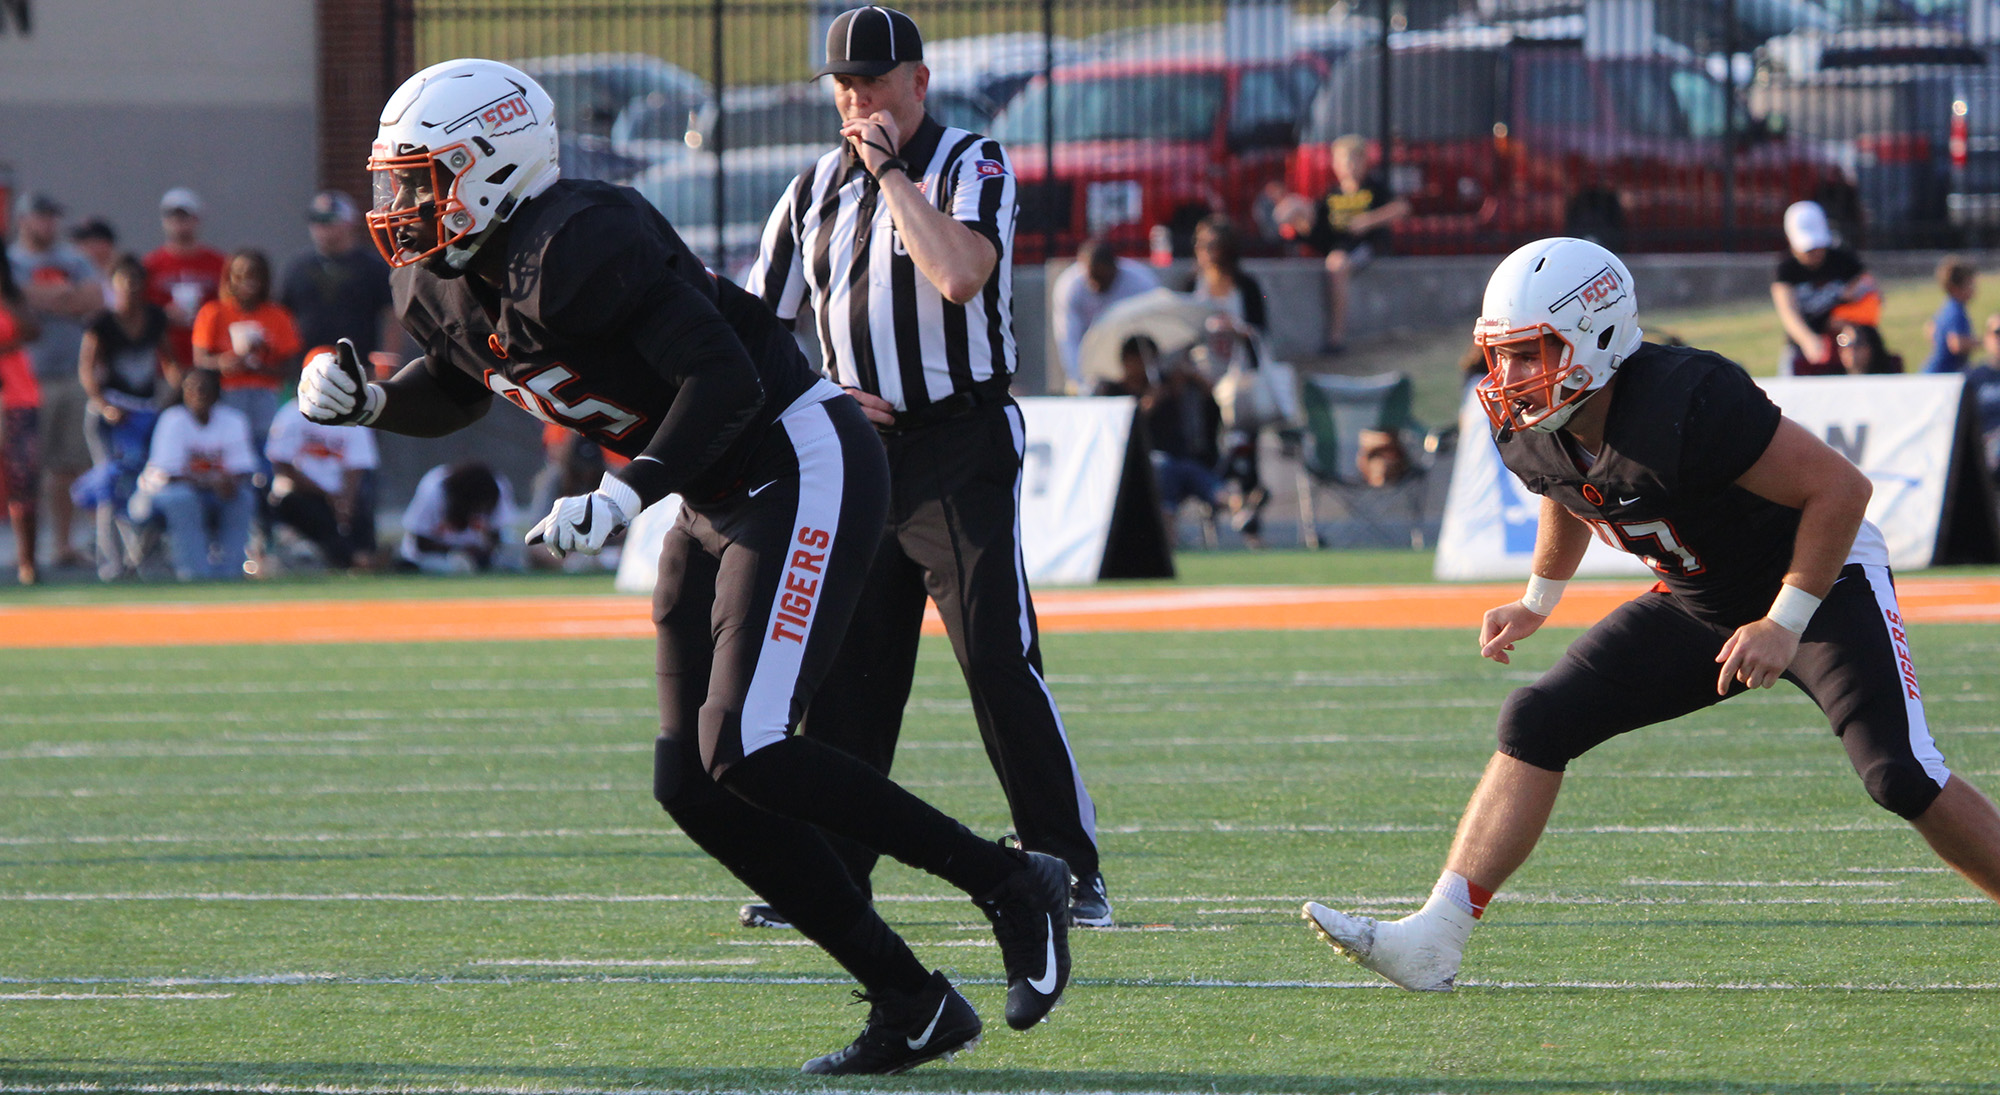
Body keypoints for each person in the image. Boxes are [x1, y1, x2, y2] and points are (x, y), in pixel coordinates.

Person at [296, 57, 1072, 1074]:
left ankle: (1014, 884)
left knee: (746, 742)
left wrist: (625, 494)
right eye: (393, 182)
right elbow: (461, 380)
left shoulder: (582, 239)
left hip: (797, 455)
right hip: (713, 491)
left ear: (494, 165)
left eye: (421, 179)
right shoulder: (434, 278)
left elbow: (724, 381)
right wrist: (376, 404)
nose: (398, 206)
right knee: (694, 782)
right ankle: (910, 999)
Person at [1302, 237, 2000, 992]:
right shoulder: (1530, 421)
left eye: (1531, 352)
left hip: (1820, 583)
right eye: (1502, 354)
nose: (1510, 377)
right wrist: (1539, 599)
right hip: (1700, 601)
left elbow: (1840, 492)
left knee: (1898, 773)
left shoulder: (1687, 398)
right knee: (1536, 717)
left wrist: (1783, 619)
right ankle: (1434, 938)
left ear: (1597, 332)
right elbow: (1565, 488)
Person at [742, 5, 1108, 931]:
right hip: (855, 455)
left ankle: (1066, 861)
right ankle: (831, 873)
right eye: (846, 84)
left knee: (992, 649)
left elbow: (959, 275)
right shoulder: (808, 191)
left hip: (958, 442)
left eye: (876, 80)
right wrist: (811, 400)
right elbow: (751, 333)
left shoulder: (970, 162)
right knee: (848, 675)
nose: (860, 98)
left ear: (919, 82)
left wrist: (891, 171)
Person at [8, 190, 102, 571]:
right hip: (25, 380)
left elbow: (95, 298)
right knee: (25, 469)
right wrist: (62, 296)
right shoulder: (11, 261)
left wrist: (38, 299)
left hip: (71, 373)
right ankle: (26, 551)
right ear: (23, 219)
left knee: (68, 465)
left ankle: (63, 544)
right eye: (41, 216)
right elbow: (11, 299)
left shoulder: (73, 259)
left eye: (52, 216)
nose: (49, 223)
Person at [78, 255, 178, 579]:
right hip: (114, 414)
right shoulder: (102, 323)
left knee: (146, 486)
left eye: (137, 281)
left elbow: (170, 363)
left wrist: (173, 395)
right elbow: (88, 370)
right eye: (125, 281)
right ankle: (112, 562)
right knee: (111, 485)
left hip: (146, 412)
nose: (132, 288)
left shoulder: (154, 318)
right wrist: (103, 403)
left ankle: (142, 558)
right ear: (114, 284)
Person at [1175, 223, 1272, 543]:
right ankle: (1213, 515)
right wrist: (1192, 373)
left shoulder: (1246, 286)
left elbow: (1261, 332)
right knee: (1204, 447)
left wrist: (1237, 327)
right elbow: (1182, 333)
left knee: (1244, 449)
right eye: (1204, 246)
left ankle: (1250, 517)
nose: (1210, 253)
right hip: (1202, 381)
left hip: (1238, 382)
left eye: (1216, 246)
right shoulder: (1192, 284)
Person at [1275, 134, 1410, 354]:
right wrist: (1295, 212)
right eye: (1343, 160)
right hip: (1338, 244)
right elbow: (1317, 224)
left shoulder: (1373, 188)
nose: (1348, 166)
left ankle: (1336, 337)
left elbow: (1402, 208)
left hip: (1365, 245)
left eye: (1353, 160)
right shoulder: (1333, 194)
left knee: (1336, 265)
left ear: (1364, 161)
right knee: (1296, 207)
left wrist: (1369, 220)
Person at [134, 367, 255, 581]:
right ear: (183, 392)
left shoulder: (233, 420)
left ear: (217, 392)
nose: (199, 392)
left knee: (243, 498)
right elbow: (169, 475)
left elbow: (243, 469)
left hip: (212, 493)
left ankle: (230, 574)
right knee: (183, 499)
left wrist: (227, 483)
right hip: (159, 494)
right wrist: (214, 482)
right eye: (192, 388)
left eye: (205, 387)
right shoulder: (173, 419)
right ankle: (195, 575)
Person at [1095, 336, 1225, 532]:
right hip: (1139, 464)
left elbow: (1212, 394)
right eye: (1141, 360)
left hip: (1177, 460)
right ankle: (1168, 535)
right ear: (1127, 361)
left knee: (1197, 475)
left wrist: (1191, 376)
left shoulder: (1165, 385)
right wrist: (1147, 405)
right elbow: (1119, 430)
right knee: (1163, 470)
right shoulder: (1112, 391)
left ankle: (1236, 503)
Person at [193, 249, 302, 460]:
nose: (247, 281)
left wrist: (261, 365)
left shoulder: (278, 315)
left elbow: (292, 366)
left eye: (254, 275)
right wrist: (223, 363)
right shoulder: (213, 312)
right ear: (229, 278)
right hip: (226, 391)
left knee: (266, 449)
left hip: (267, 392)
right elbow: (200, 360)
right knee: (231, 448)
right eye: (240, 275)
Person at [279, 190, 400, 372]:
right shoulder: (298, 267)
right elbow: (282, 314)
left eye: (328, 221)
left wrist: (387, 363)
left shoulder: (373, 266)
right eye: (316, 220)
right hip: (305, 368)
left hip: (360, 368)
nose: (321, 227)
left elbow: (392, 316)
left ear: (349, 223)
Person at [265, 392, 378, 571]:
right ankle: (352, 560)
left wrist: (345, 501)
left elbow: (357, 466)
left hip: (339, 494)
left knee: (361, 506)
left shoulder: (351, 416)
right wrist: (327, 495)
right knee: (317, 517)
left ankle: (366, 556)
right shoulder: (292, 414)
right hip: (300, 493)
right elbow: (283, 467)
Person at [1771, 200, 1877, 377]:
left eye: (1818, 247)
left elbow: (1872, 296)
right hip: (1805, 348)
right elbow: (1788, 312)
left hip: (1846, 346)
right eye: (1809, 249)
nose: (1815, 253)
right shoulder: (1787, 270)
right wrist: (1808, 340)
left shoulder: (1845, 262)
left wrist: (1847, 318)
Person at [1050, 236, 1158, 394]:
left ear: (1115, 267)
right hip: (1090, 363)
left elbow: (1155, 330)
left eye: (1102, 279)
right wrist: (1081, 382)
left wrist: (1150, 371)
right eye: (1093, 278)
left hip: (1132, 365)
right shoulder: (1070, 287)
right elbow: (1068, 340)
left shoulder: (1141, 284)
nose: (1096, 285)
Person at [143, 188, 228, 380]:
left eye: (184, 217)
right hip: (165, 363)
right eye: (172, 217)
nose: (178, 224)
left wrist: (207, 315)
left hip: (210, 360)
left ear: (197, 220)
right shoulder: (151, 264)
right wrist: (163, 314)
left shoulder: (219, 263)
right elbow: (139, 309)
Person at [0, 255, 43, 584]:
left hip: (17, 398)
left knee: (22, 479)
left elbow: (31, 330)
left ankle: (27, 562)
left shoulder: (12, 296)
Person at [395, 462, 512, 573]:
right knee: (451, 564)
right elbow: (420, 543)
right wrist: (458, 550)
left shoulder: (497, 488)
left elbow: (497, 536)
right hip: (436, 558)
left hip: (478, 559)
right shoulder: (434, 488)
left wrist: (484, 551)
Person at [1922, 255, 1977, 375]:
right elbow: (1956, 344)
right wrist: (1985, 342)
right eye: (1970, 285)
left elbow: (1929, 329)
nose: (1974, 289)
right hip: (1941, 376)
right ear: (1955, 288)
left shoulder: (1948, 307)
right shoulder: (1956, 311)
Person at [69, 218, 119, 307]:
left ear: (104, 245)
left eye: (84, 242)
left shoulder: (122, 277)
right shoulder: (74, 278)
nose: (77, 248)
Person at [1831, 321, 1903, 376]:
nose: (1851, 349)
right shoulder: (1830, 380)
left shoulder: (1889, 380)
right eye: (1843, 343)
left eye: (1858, 343)